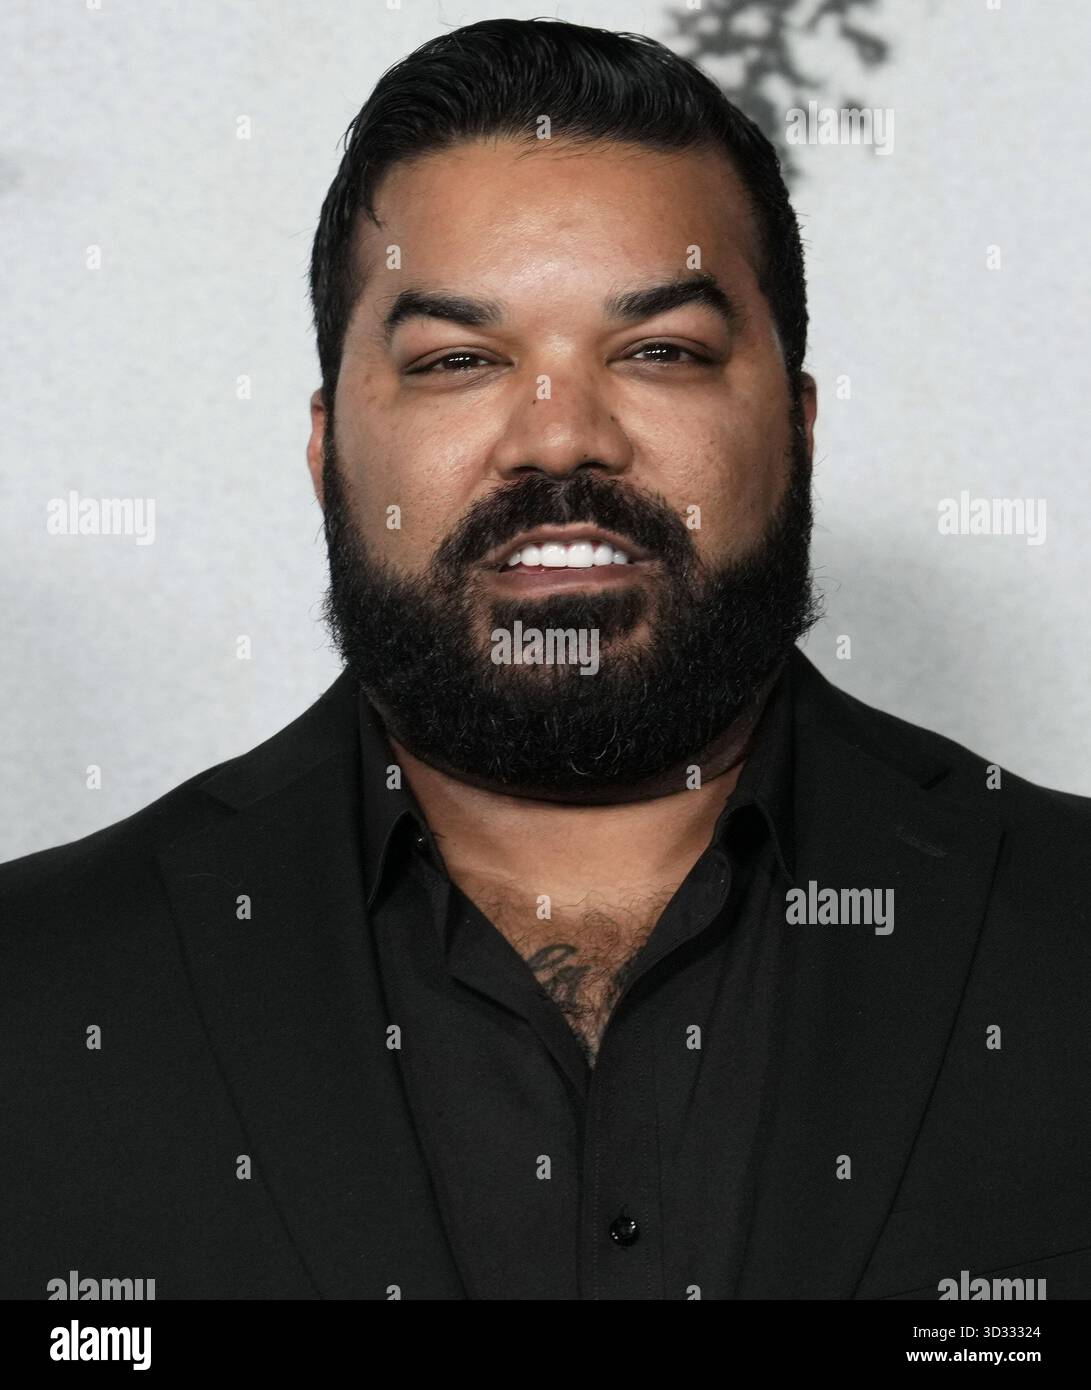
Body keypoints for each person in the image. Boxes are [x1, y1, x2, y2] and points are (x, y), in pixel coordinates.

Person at [2, 18, 1089, 1302]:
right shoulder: (39, 987)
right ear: (323, 447)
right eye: (459, 359)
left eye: (660, 352)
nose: (560, 438)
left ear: (796, 428)